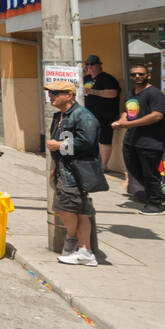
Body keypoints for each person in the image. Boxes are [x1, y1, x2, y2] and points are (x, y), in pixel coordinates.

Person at [47, 80, 102, 267]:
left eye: (55, 92)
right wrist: (56, 165)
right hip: (65, 170)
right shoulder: (59, 116)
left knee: (68, 209)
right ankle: (83, 249)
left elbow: (88, 142)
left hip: (76, 172)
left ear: (70, 95)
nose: (51, 96)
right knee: (76, 210)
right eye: (50, 92)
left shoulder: (82, 116)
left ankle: (77, 245)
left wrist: (59, 145)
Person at [111, 63, 165, 214]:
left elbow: (157, 115)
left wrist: (129, 125)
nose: (137, 77)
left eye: (141, 74)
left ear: (148, 76)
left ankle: (156, 204)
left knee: (150, 174)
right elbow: (127, 112)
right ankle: (159, 196)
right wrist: (121, 121)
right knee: (134, 170)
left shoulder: (154, 93)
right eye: (134, 75)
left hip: (150, 141)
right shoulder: (131, 93)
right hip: (131, 140)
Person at [82, 55, 120, 171]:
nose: (90, 67)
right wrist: (82, 72)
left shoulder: (107, 78)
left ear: (99, 65)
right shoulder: (86, 78)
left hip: (105, 115)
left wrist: (93, 91)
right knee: (90, 139)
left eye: (92, 64)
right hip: (89, 114)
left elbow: (113, 93)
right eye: (87, 64)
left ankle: (103, 165)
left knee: (104, 140)